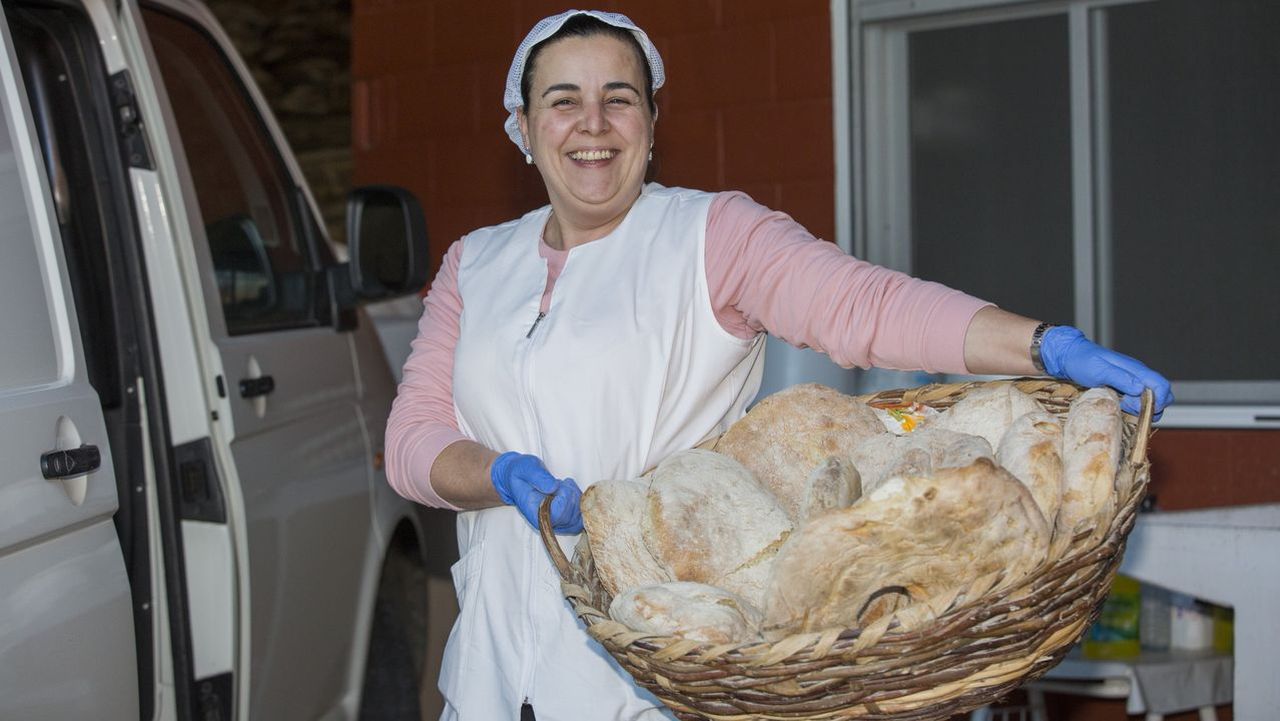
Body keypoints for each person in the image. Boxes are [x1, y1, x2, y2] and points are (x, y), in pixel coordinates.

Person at [385, 9, 1173, 721]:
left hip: (662, 672)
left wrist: (1043, 345)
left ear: (652, 122)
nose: (593, 123)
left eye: (619, 97)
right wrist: (502, 476)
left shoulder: (709, 235)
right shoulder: (475, 264)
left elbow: (867, 307)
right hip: (491, 674)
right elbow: (411, 442)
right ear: (523, 126)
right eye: (562, 100)